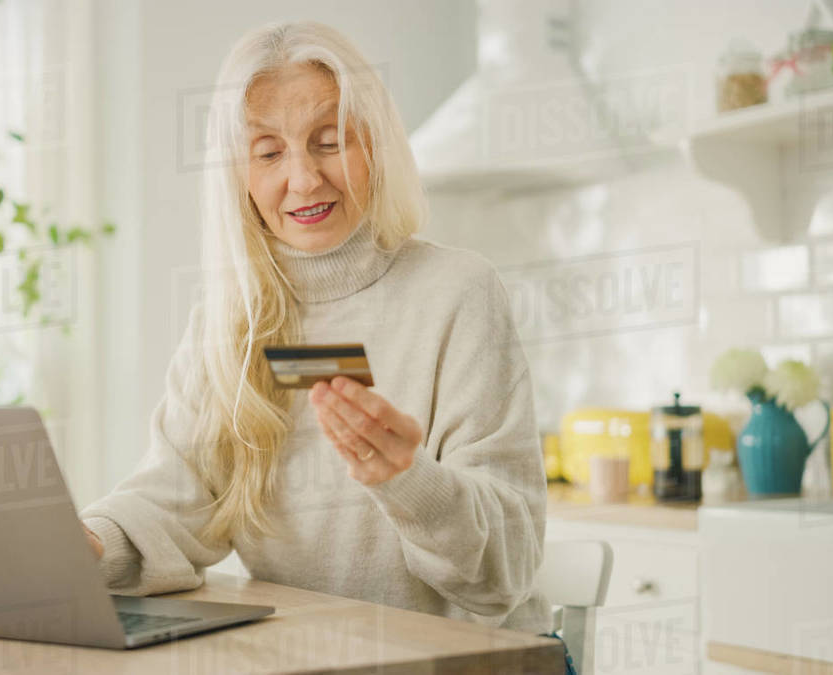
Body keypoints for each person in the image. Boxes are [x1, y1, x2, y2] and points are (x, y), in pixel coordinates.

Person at [79, 20, 552, 636]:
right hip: (310, 654)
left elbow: (503, 572)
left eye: (329, 142)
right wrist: (85, 544)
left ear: (376, 145)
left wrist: (409, 479)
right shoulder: (229, 322)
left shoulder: (458, 291)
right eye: (270, 152)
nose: (303, 179)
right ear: (239, 176)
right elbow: (177, 499)